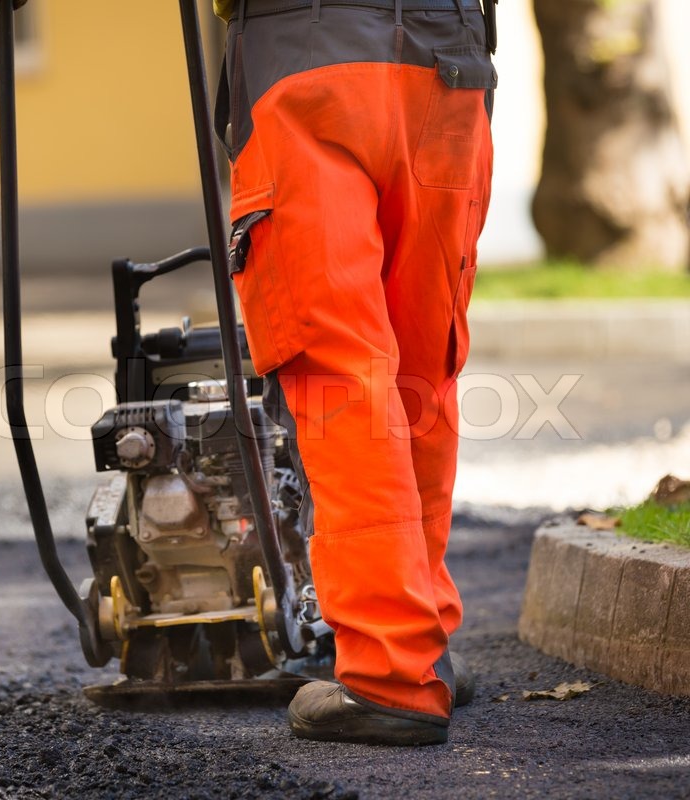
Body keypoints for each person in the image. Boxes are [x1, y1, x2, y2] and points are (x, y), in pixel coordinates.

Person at [214, 0, 497, 745]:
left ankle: (390, 671)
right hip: (451, 58)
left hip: (303, 58)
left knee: (345, 376)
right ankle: (421, 642)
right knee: (418, 373)